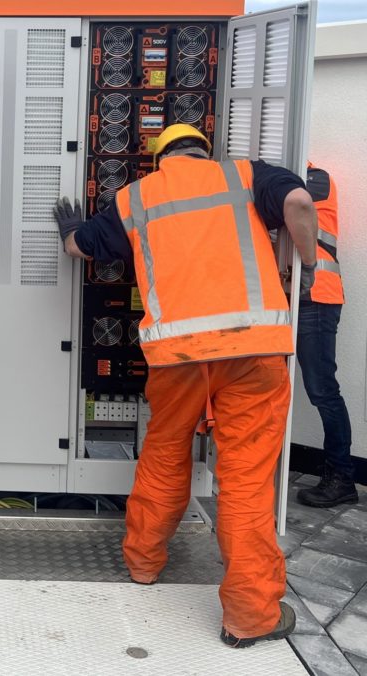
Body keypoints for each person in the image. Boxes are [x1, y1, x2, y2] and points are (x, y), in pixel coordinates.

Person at [53, 124, 318, 648]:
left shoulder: (135, 199)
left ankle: (144, 563)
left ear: (159, 161)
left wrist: (72, 228)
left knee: (164, 453)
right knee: (244, 481)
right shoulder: (244, 176)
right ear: (205, 151)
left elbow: (77, 248)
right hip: (252, 352)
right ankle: (250, 615)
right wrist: (306, 267)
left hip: (176, 357)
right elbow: (301, 204)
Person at [296, 163, 358, 508]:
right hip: (289, 298)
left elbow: (288, 207)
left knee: (322, 390)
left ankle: (342, 478)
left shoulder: (314, 177)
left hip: (317, 298)